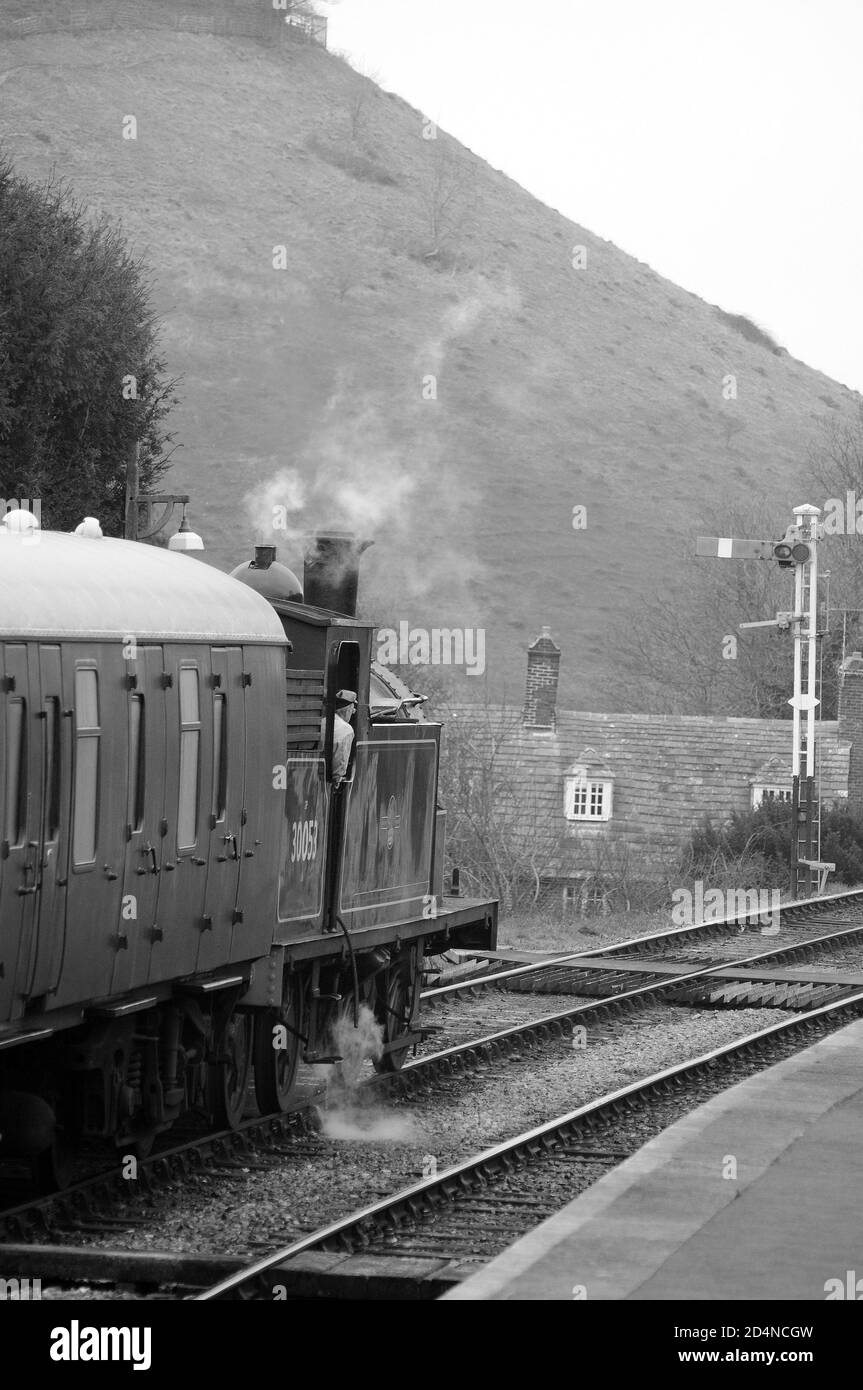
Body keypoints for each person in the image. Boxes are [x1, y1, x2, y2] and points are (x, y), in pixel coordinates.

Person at [331, 689, 356, 787]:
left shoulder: (323, 722)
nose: (353, 712)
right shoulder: (346, 730)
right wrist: (337, 780)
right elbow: (339, 762)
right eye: (353, 709)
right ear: (348, 709)